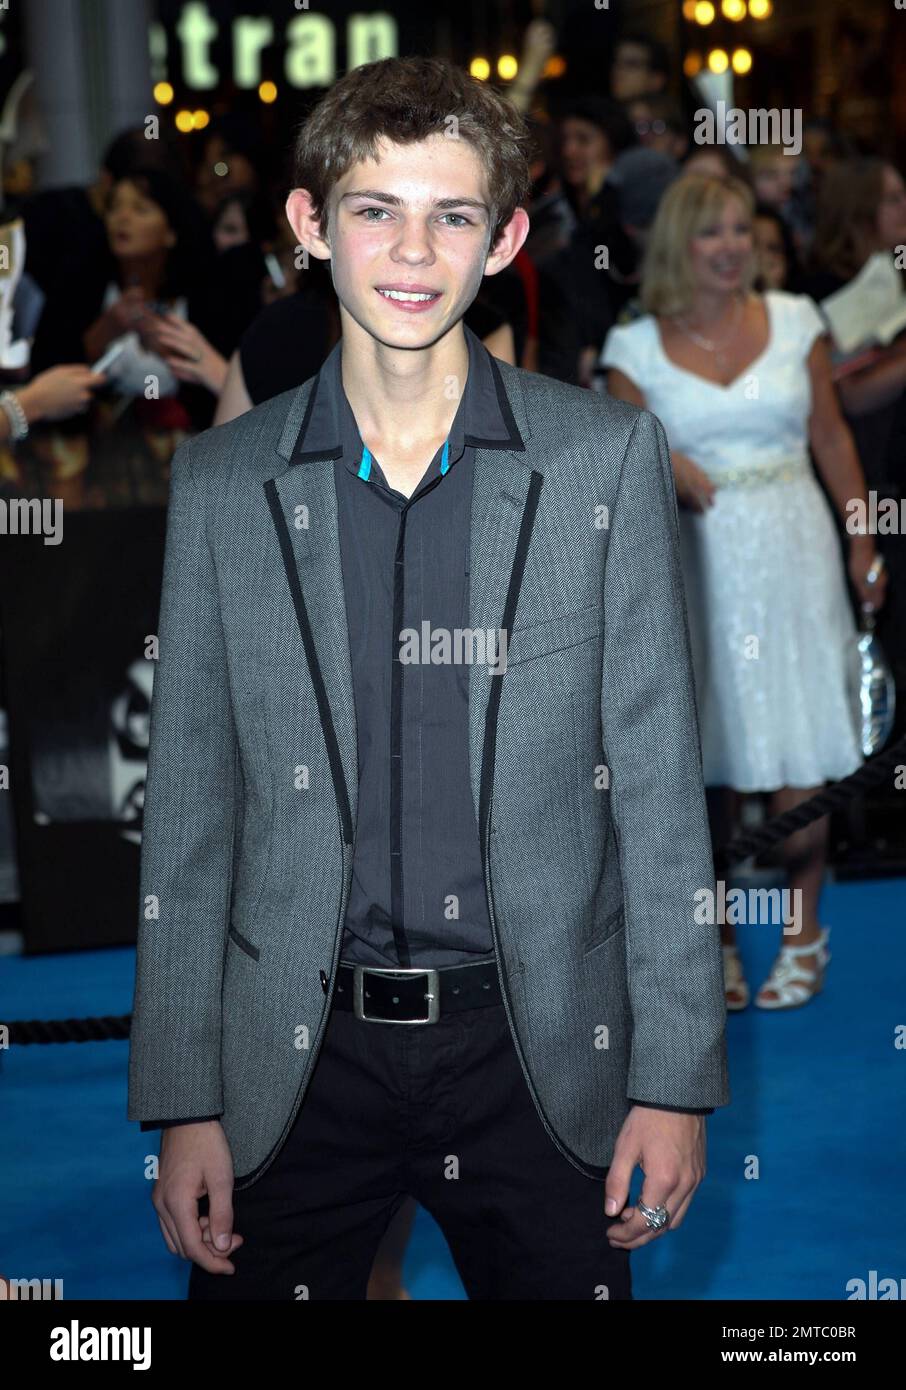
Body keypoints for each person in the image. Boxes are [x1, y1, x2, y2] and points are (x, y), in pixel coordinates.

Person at [128, 56, 728, 1301]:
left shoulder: (605, 463)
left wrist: (673, 1079)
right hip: (295, 1060)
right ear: (311, 225)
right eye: (374, 210)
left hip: (537, 1048)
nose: (412, 252)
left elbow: (662, 798)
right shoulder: (225, 485)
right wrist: (182, 1098)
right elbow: (190, 812)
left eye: (452, 215)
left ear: (505, 236)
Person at [601, 173, 887, 1012]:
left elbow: (832, 438)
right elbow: (617, 460)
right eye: (710, 234)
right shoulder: (635, 348)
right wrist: (660, 457)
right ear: (677, 246)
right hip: (694, 562)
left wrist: (864, 540)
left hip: (795, 547)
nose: (730, 248)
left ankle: (804, 934)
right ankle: (716, 939)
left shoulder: (798, 319)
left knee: (800, 742)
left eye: (740, 230)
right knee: (708, 760)